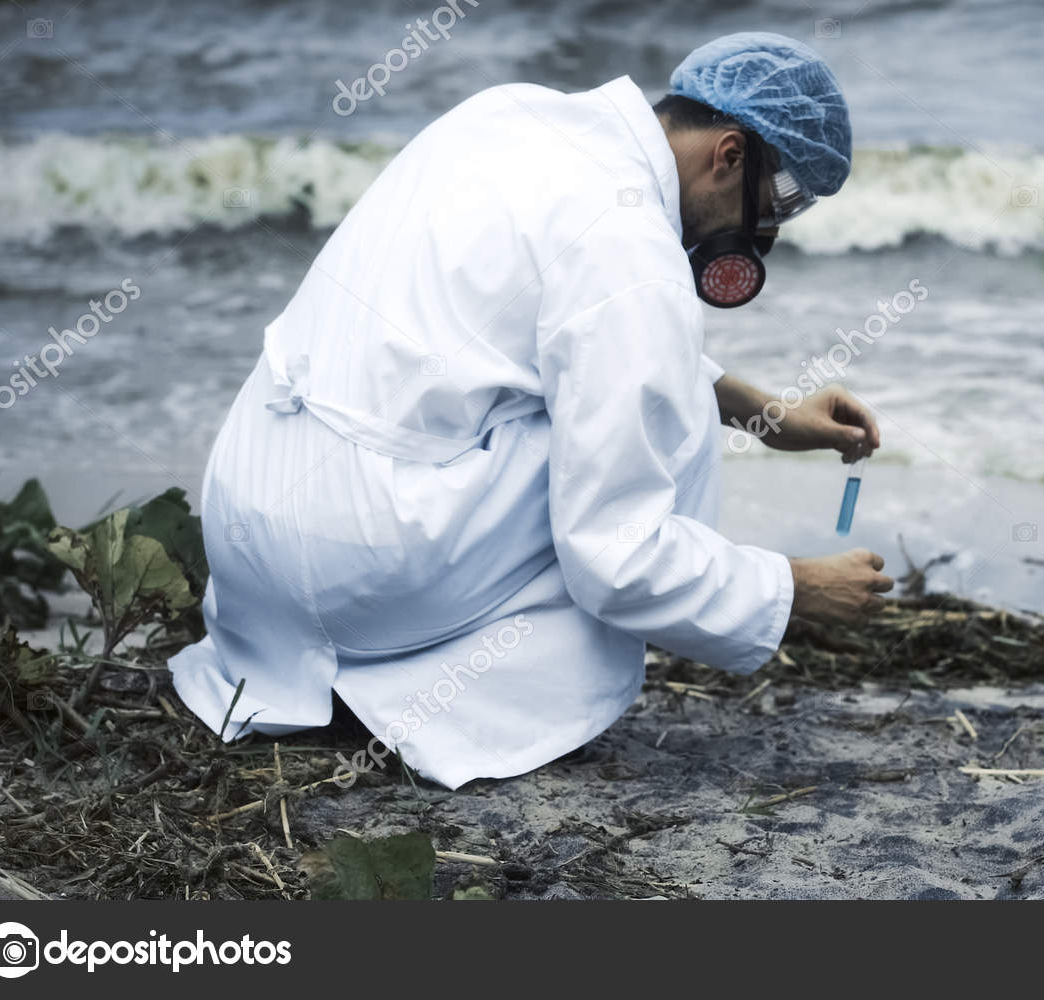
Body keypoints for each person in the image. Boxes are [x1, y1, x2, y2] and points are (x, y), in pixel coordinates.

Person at [168, 32, 893, 789]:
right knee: (658, 447)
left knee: (634, 402)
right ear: (730, 154)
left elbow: (561, 331)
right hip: (356, 570)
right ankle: (459, 693)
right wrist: (796, 587)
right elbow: (618, 556)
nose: (765, 230)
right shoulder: (634, 251)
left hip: (251, 535)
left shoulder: (511, 114)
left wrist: (765, 412)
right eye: (781, 199)